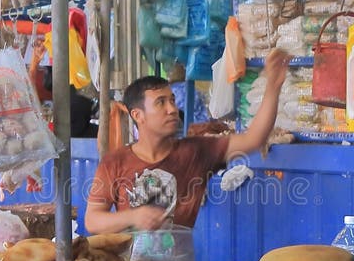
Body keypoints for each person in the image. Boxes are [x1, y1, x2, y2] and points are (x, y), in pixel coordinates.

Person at [85, 49, 289, 233]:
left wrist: (273, 86)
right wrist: (133, 216)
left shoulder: (196, 152)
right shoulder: (115, 162)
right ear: (138, 115)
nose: (172, 109)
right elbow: (92, 221)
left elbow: (254, 139)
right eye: (161, 103)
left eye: (172, 100)